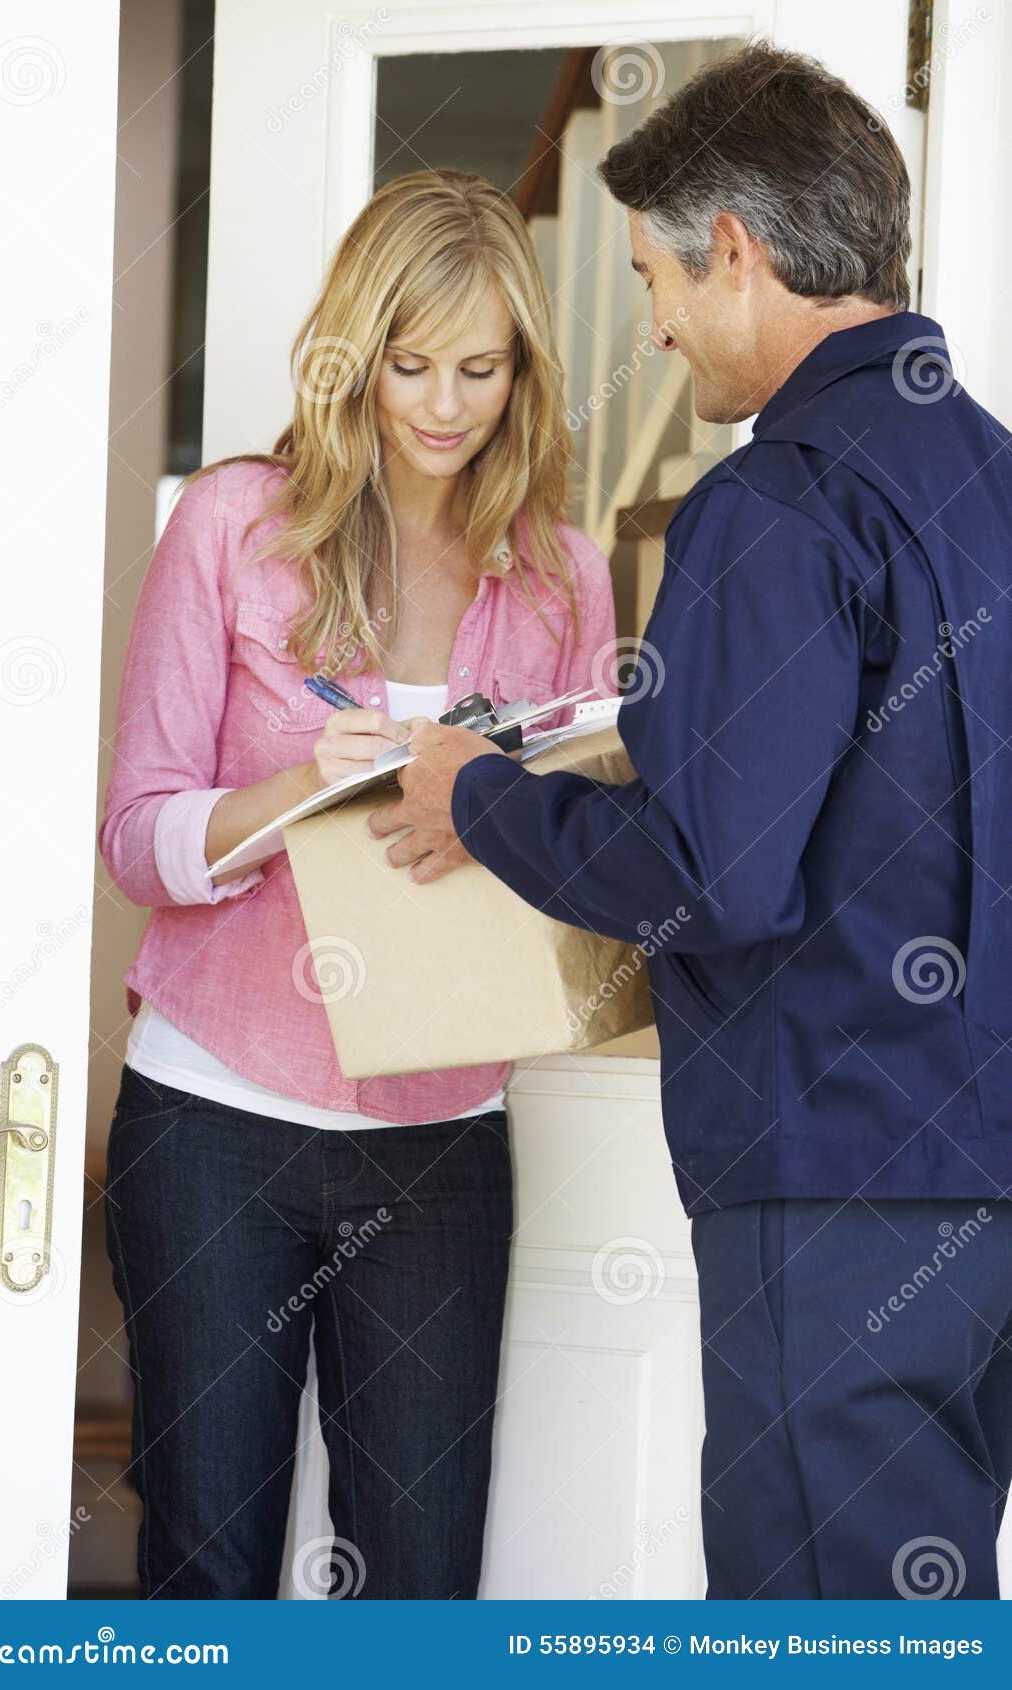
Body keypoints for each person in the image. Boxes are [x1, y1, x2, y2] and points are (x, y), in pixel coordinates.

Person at [372, 45, 1012, 1600]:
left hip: (839, 1189)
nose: (651, 323)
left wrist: (481, 795)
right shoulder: (996, 479)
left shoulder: (776, 500)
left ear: (735, 252)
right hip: (983, 1189)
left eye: (653, 279)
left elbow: (713, 877)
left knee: (818, 1628)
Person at [97, 167, 616, 1599]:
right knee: (209, 1567)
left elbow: (590, 847)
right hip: (214, 1120)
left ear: (523, 375)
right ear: (353, 356)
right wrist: (292, 799)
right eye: (409, 365)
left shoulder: (563, 579)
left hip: (443, 1137)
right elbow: (135, 835)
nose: (443, 406)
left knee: (425, 1579)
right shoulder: (233, 527)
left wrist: (503, 820)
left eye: (480, 370)